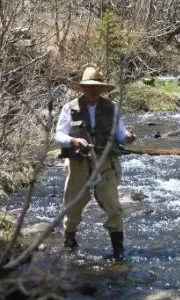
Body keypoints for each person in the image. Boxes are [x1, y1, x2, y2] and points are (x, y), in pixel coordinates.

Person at [55, 66, 136, 259]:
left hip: (105, 162)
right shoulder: (69, 108)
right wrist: (73, 141)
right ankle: (70, 241)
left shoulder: (112, 108)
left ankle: (118, 250)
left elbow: (121, 135)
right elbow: (58, 135)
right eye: (88, 86)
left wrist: (129, 137)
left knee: (114, 207)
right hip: (78, 163)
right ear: (82, 88)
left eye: (96, 87)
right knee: (72, 205)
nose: (92, 90)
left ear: (101, 89)